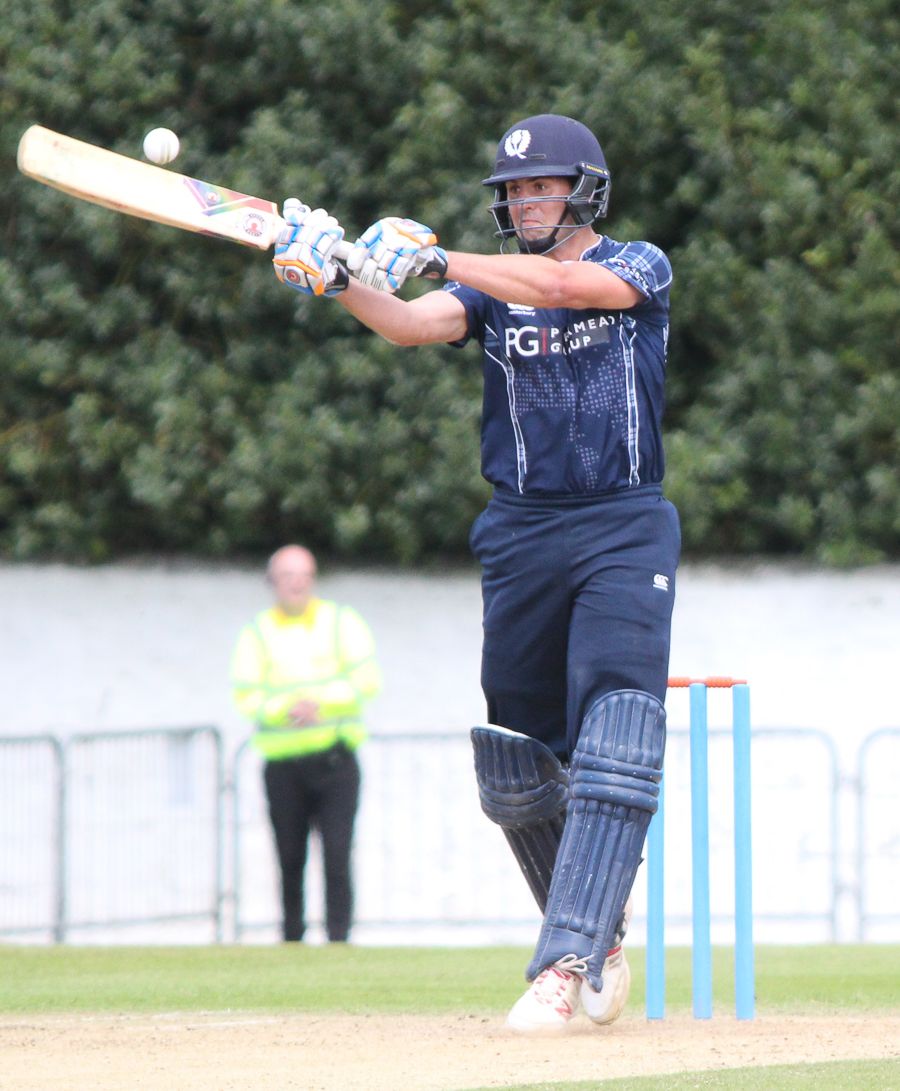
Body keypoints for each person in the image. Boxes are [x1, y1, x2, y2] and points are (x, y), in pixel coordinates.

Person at [271, 114, 680, 1030]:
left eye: (545, 186)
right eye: (518, 190)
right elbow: (414, 325)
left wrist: (437, 253)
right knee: (516, 758)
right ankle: (600, 931)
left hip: (622, 521)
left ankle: (563, 963)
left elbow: (569, 285)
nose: (529, 200)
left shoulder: (640, 266)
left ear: (586, 191)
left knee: (618, 723)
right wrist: (339, 280)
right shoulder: (491, 292)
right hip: (521, 529)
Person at [230, 545, 382, 943]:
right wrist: (286, 709)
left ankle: (338, 941)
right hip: (283, 766)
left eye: (304, 575)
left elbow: (366, 681)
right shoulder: (257, 632)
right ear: (273, 582)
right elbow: (246, 694)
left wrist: (321, 704)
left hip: (335, 762)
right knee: (289, 858)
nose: (297, 583)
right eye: (287, 576)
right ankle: (291, 941)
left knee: (337, 854)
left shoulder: (340, 623)